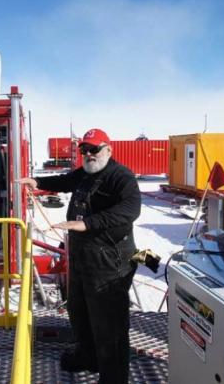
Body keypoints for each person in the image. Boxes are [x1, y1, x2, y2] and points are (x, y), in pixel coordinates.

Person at [18, 128, 141, 384]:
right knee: (80, 310)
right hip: (83, 256)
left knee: (109, 324)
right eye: (84, 150)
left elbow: (130, 210)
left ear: (108, 149)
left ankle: (113, 378)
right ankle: (88, 357)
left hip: (110, 260)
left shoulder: (121, 177)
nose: (88, 154)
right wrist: (38, 182)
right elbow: (64, 181)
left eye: (94, 149)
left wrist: (88, 223)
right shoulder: (85, 173)